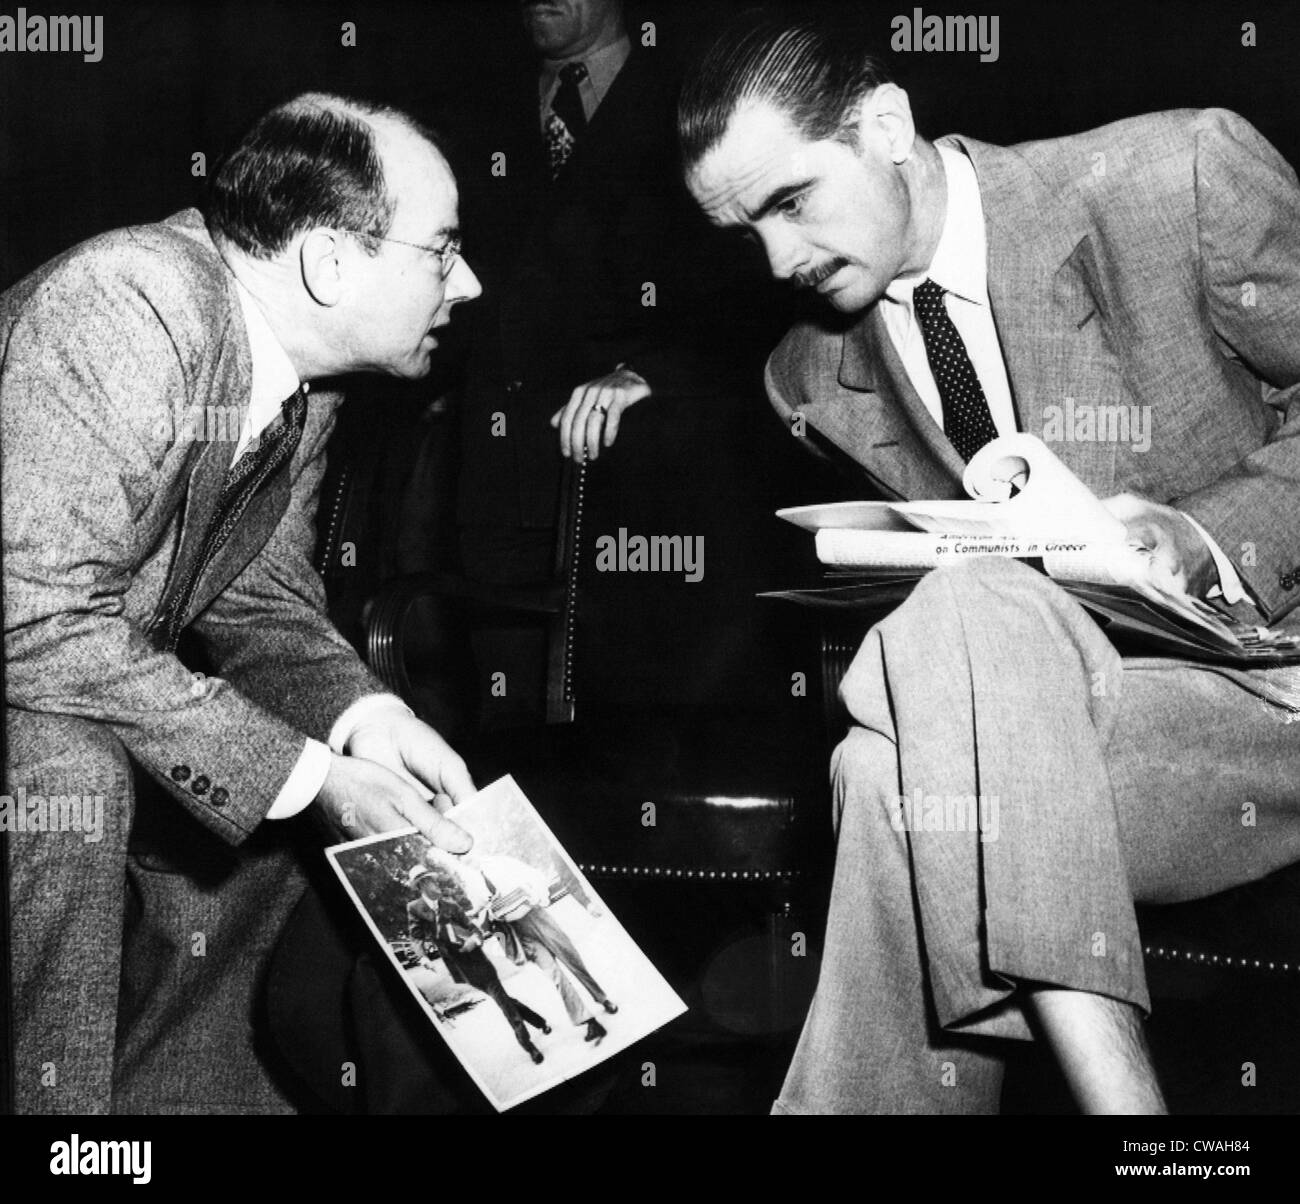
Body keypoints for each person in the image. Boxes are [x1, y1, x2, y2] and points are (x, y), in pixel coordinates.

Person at [677, 13, 1300, 1114]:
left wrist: (1201, 533)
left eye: (791, 201)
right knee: (894, 754)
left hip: (1275, 695)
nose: (777, 261)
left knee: (898, 754)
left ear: (885, 125)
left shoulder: (1180, 177)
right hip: (1079, 744)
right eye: (743, 234)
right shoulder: (807, 377)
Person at [2, 92, 483, 1114]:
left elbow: (258, 596)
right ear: (329, 263)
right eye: (442, 251)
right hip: (30, 663)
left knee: (283, 804)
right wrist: (307, 777)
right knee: (70, 769)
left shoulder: (304, 384)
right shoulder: (129, 304)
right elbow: (31, 617)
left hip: (60, 665)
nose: (469, 282)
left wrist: (365, 723)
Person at [405, 866, 550, 1064]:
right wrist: (423, 958)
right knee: (504, 999)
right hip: (460, 968)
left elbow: (473, 928)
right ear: (422, 885)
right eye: (431, 881)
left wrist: (474, 940)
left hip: (478, 961)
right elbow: (415, 937)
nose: (436, 884)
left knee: (502, 1001)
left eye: (434, 880)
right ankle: (540, 1022)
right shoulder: (414, 908)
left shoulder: (451, 905)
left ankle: (528, 1045)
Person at [471, 852, 617, 1045]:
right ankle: (589, 1021)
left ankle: (602, 998)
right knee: (555, 975)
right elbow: (487, 924)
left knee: (573, 961)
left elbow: (535, 876)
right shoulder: (473, 886)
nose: (465, 859)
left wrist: (539, 897)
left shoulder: (502, 863)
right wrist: (488, 917)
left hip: (538, 917)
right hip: (519, 932)